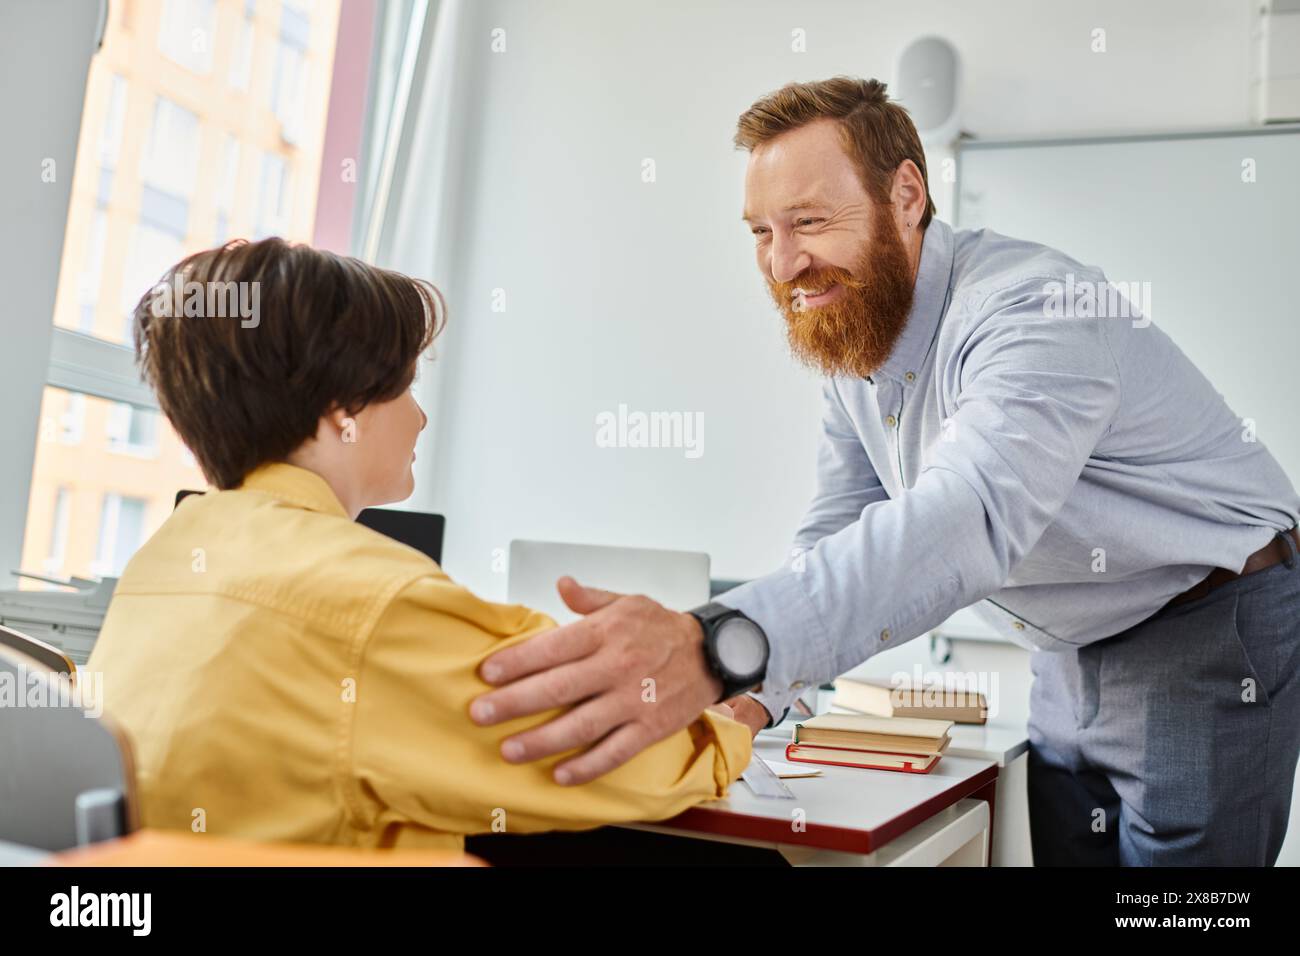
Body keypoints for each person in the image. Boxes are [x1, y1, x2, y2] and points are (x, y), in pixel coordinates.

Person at [470, 76, 1300, 866]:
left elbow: (965, 517)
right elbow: (835, 529)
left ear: (906, 196)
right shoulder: (860, 338)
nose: (783, 265)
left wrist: (716, 643)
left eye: (809, 221)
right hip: (1064, 645)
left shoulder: (1034, 310)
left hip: (1204, 625)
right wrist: (762, 694)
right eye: (761, 233)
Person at [86, 237, 760, 852]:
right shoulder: (369, 603)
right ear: (341, 410)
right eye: (405, 385)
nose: (421, 415)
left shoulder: (164, 561)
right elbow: (640, 759)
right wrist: (735, 716)